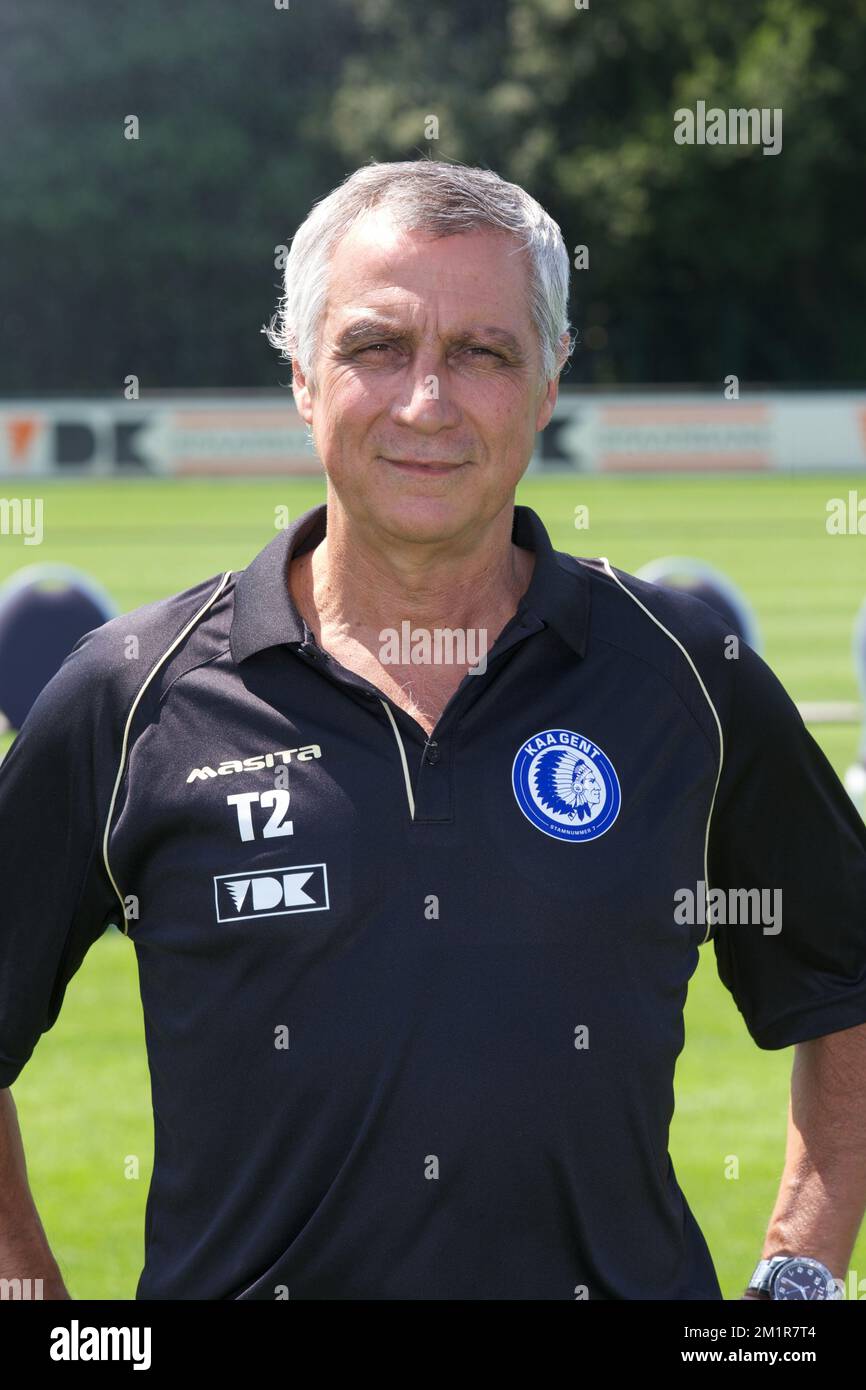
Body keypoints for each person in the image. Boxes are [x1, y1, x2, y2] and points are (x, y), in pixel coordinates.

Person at [1, 158, 865, 1301]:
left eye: (482, 352)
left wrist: (796, 1283)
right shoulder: (133, 693)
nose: (426, 402)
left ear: (548, 382)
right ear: (302, 375)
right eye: (375, 347)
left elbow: (845, 977)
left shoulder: (683, 673)